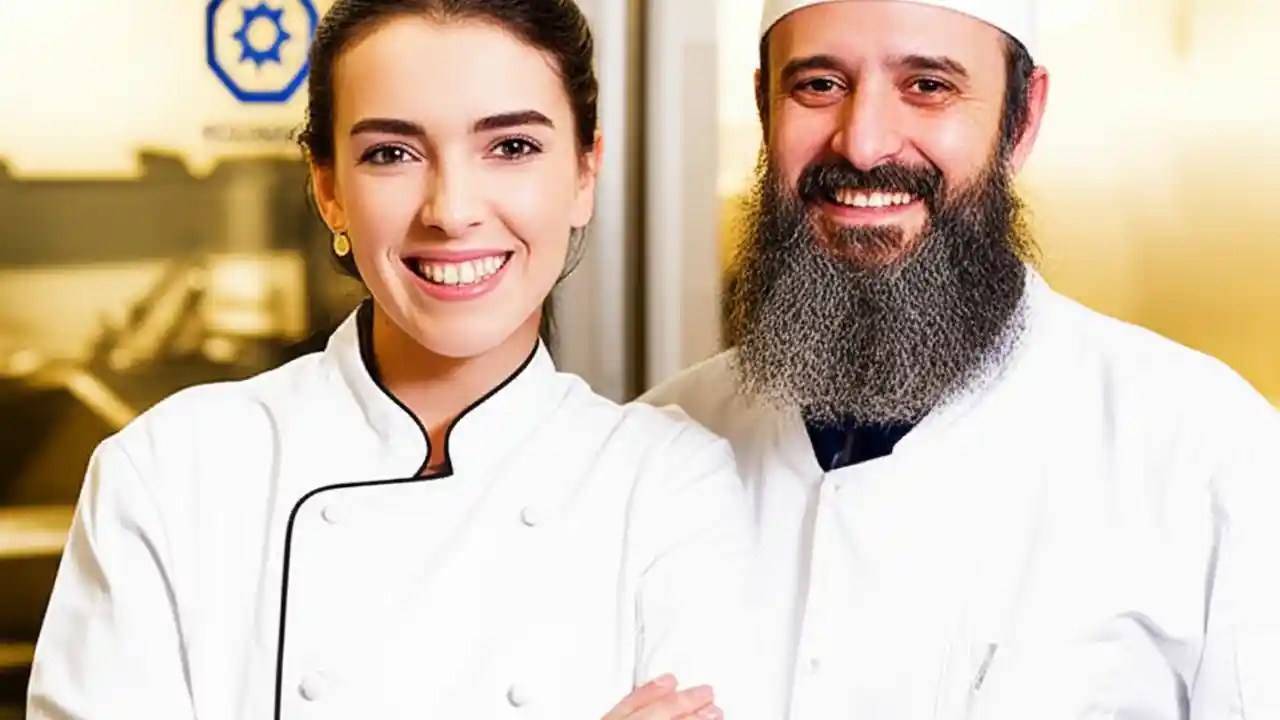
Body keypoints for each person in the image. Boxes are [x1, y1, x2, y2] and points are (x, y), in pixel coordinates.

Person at [27, 2, 763, 718]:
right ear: (328, 190)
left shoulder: (667, 484)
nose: (451, 209)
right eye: (392, 153)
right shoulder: (170, 471)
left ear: (583, 174)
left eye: (511, 147)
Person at [642, 0, 1280, 718]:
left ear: (1023, 116)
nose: (863, 144)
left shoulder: (1206, 449)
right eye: (819, 85)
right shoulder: (652, 446)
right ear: (764, 105)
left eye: (928, 86)